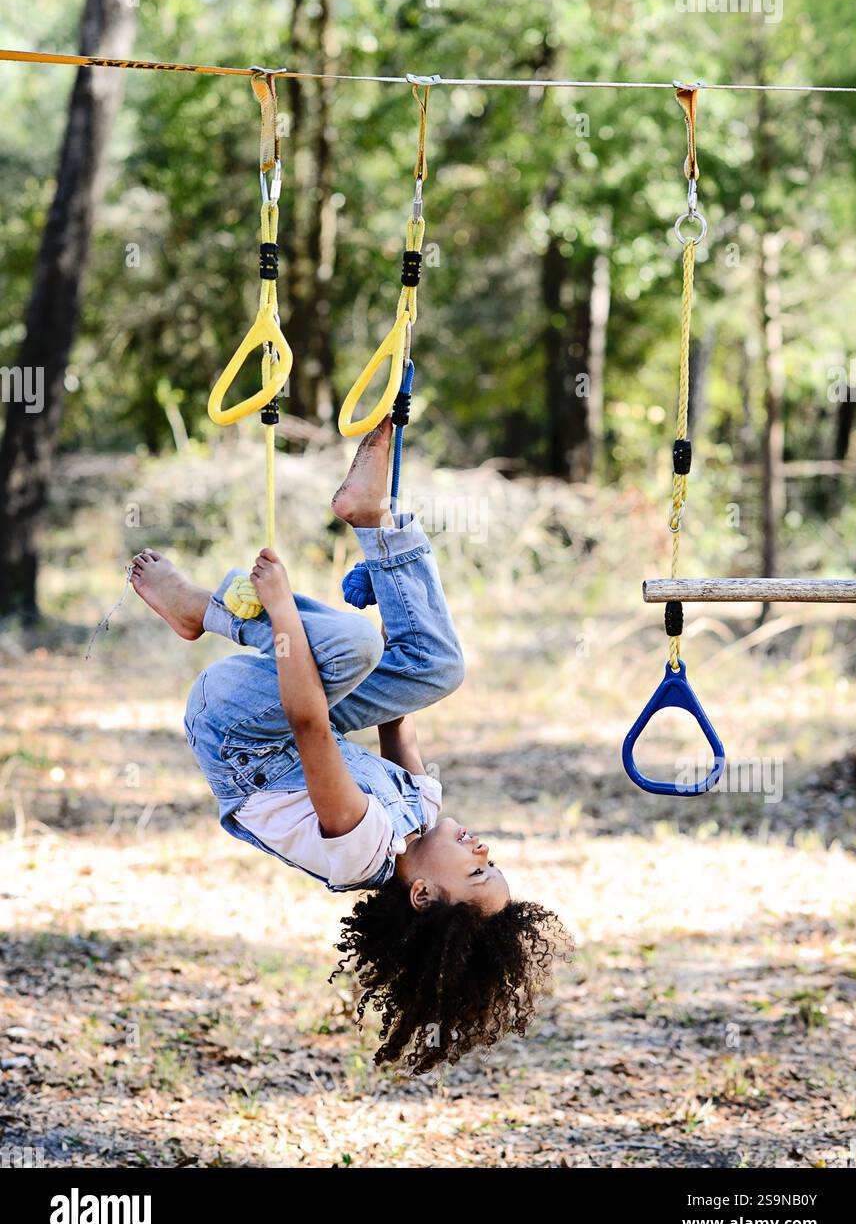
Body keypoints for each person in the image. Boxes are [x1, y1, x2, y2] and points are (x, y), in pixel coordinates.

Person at [131, 420, 568, 1074]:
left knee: (349, 649)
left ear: (422, 895)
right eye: (491, 860)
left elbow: (310, 725)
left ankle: (205, 608)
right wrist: (386, 588)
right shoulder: (419, 817)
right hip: (290, 720)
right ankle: (375, 521)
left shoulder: (358, 850)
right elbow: (403, 707)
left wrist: (280, 611)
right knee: (436, 669)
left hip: (236, 729)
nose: (481, 847)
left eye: (476, 869)